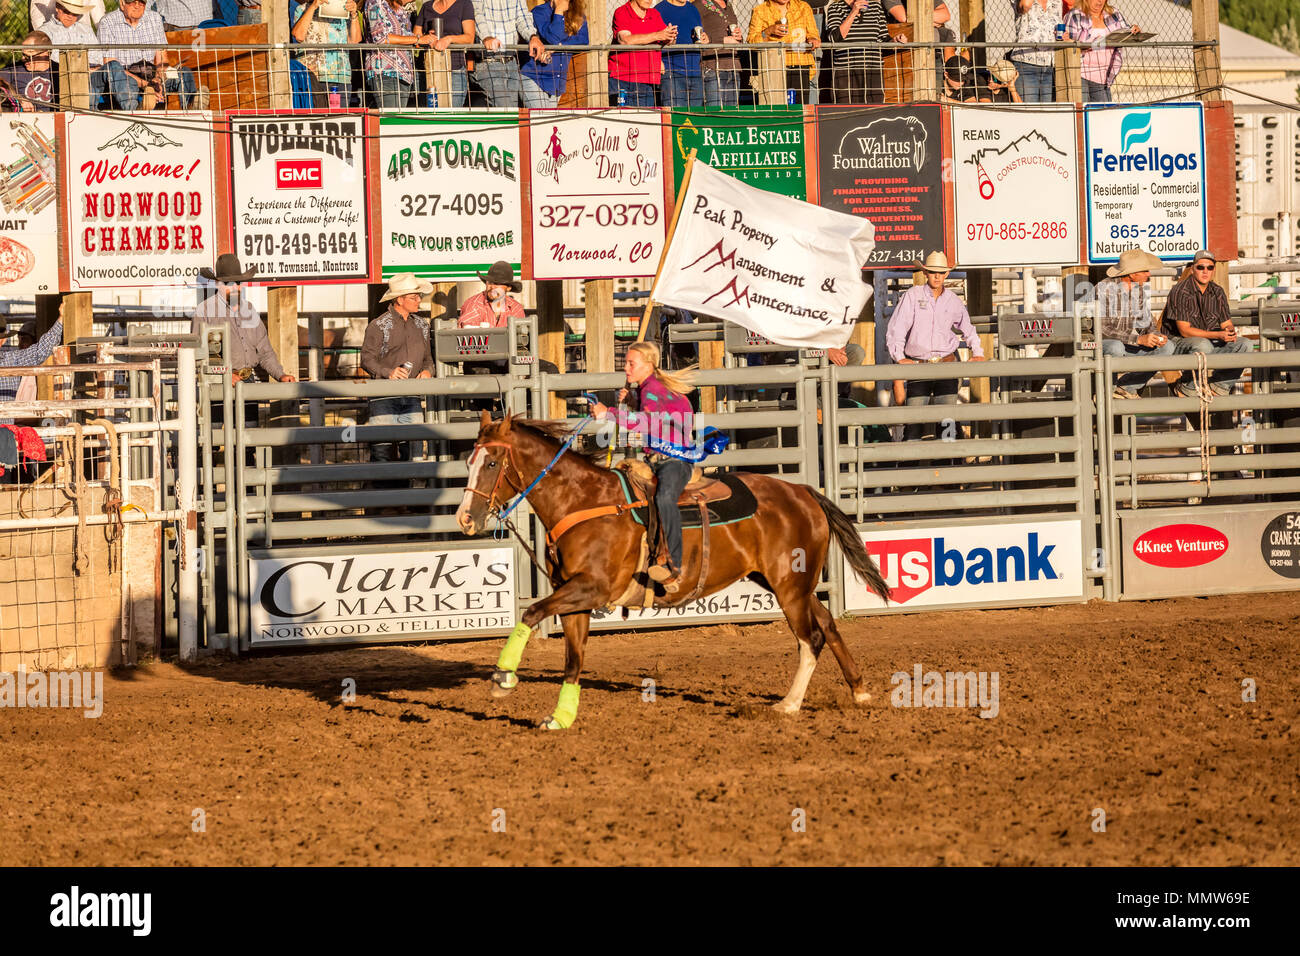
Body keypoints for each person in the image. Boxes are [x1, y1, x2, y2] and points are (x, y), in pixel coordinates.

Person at [592, 342, 698, 591]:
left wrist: (608, 413)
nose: (626, 368)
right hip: (660, 458)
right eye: (626, 363)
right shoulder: (650, 388)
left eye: (632, 363)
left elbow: (648, 423)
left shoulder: (653, 389)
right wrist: (633, 400)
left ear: (649, 365)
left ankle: (674, 564)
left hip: (675, 460)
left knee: (664, 498)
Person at [885, 251, 987, 444]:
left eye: (940, 272)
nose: (937, 276)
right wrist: (899, 357)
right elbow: (896, 329)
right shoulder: (913, 296)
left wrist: (978, 352)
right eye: (933, 272)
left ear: (946, 274)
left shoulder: (952, 301)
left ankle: (946, 462)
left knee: (946, 420)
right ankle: (913, 465)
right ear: (926, 273)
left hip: (945, 365)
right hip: (919, 365)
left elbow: (968, 328)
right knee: (914, 421)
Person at [361, 273, 435, 483]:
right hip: (383, 395)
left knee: (413, 449)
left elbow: (428, 359)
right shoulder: (379, 325)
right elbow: (367, 359)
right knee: (382, 450)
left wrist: (428, 371)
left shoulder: (421, 325)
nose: (419, 300)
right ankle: (387, 499)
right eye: (414, 297)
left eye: (419, 296)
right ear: (399, 300)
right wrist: (388, 372)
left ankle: (405, 500)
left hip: (410, 394)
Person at [190, 254, 297, 386]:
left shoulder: (249, 309)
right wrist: (223, 375)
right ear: (218, 284)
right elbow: (197, 354)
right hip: (217, 385)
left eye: (238, 283)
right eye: (229, 283)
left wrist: (280, 375)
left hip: (247, 381)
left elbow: (265, 352)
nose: (235, 287)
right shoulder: (204, 311)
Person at [1162, 250, 1252, 398]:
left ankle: (1218, 386)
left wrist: (1230, 332)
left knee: (1246, 344)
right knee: (1203, 345)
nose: (1205, 271)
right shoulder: (1180, 291)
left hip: (1208, 343)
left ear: (1214, 270)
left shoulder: (1217, 291)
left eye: (1209, 268)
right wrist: (1218, 334)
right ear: (1193, 269)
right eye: (1200, 267)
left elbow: (1226, 323)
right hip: (1178, 344)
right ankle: (1188, 387)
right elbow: (1184, 331)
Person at [1096, 247, 1172, 399]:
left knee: (1168, 347)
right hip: (1101, 346)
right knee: (1115, 347)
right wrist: (1137, 339)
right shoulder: (1104, 289)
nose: (1148, 274)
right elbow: (1103, 330)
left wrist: (1155, 335)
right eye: (1144, 271)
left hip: (1125, 345)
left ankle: (1126, 387)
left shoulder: (1139, 290)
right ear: (1132, 274)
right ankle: (1105, 392)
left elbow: (1146, 321)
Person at [96, 0, 197, 109]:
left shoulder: (155, 18)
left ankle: (192, 107)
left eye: (141, 2)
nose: (137, 6)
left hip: (152, 73)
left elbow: (162, 60)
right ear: (122, 3)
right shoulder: (107, 22)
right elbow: (110, 65)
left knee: (184, 73)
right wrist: (145, 84)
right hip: (126, 76)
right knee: (119, 76)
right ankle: (136, 111)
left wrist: (158, 79)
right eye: (132, 2)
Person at [39, 1, 135, 110]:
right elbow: (54, 60)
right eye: (67, 12)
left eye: (75, 14)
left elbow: (98, 57)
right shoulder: (45, 32)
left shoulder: (86, 30)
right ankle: (133, 111)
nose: (71, 17)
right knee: (126, 79)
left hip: (91, 75)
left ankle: (131, 110)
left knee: (117, 68)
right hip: (66, 80)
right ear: (58, 8)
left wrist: (88, 69)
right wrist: (83, 68)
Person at [823, 0, 903, 106]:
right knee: (845, 113)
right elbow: (834, 39)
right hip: (846, 72)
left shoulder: (876, 7)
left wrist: (895, 41)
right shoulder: (836, 7)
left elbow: (883, 39)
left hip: (872, 71)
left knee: (874, 113)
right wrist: (853, 12)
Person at [473, 0, 552, 108]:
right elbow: (476, 14)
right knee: (505, 110)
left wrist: (533, 37)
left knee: (512, 112)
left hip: (511, 61)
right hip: (488, 60)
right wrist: (486, 37)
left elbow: (522, 17)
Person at [290, 0, 362, 109]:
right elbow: (299, 35)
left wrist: (353, 14)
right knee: (313, 120)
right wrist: (314, 6)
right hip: (313, 77)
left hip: (340, 77)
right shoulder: (302, 9)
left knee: (338, 120)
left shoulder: (343, 10)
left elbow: (355, 40)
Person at [1064, 0, 1138, 103]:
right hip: (1080, 74)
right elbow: (1068, 46)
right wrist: (1095, 43)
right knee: (1082, 113)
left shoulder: (1114, 14)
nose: (1100, 1)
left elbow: (1125, 32)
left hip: (1104, 75)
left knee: (1103, 114)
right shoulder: (1075, 15)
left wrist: (1133, 30)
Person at [747, 0, 819, 104]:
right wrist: (768, 31)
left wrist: (812, 39)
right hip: (773, 68)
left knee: (798, 111)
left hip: (800, 66)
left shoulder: (803, 7)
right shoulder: (760, 11)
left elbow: (813, 34)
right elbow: (751, 42)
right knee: (774, 109)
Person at [519, 0, 587, 109]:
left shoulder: (576, 15)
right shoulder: (540, 12)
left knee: (548, 122)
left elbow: (583, 40)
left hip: (556, 81)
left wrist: (559, 46)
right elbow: (552, 37)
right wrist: (559, 11)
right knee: (541, 120)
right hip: (535, 77)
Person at [413, 0, 475, 108]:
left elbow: (469, 38)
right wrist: (426, 37)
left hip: (454, 70)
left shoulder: (464, 4)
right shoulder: (426, 6)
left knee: (451, 117)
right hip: (427, 71)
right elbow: (415, 35)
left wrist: (449, 39)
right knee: (428, 118)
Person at [610, 0, 671, 107]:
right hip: (622, 78)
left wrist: (670, 36)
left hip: (647, 79)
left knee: (645, 120)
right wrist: (657, 35)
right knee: (621, 120)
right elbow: (625, 40)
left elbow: (665, 38)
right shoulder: (622, 12)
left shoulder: (654, 14)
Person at [365, 0, 422, 108]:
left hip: (404, 73)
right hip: (385, 71)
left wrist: (424, 38)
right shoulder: (375, 2)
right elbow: (380, 37)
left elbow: (406, 37)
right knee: (391, 118)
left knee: (398, 122)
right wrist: (417, 39)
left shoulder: (401, 9)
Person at [657, 0, 706, 108]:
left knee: (695, 120)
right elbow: (653, 39)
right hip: (672, 72)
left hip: (695, 73)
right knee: (675, 118)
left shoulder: (693, 9)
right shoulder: (659, 10)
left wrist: (704, 38)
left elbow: (701, 33)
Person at [1010, 0, 1060, 103]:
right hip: (1026, 65)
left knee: (1047, 114)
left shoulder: (1056, 2)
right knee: (1028, 113)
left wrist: (1064, 36)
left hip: (1049, 67)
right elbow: (1025, 6)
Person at [696, 0, 742, 107]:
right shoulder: (699, 4)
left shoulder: (729, 6)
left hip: (733, 66)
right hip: (712, 66)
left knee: (731, 115)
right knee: (714, 113)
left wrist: (739, 37)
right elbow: (696, 35)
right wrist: (721, 40)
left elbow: (733, 38)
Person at [0, 32, 59, 111]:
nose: (23, 59)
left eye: (28, 56)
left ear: (45, 54)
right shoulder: (15, 68)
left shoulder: (59, 70)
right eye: (23, 54)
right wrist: (18, 99)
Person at [458, 260, 525, 329]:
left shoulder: (515, 308)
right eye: (490, 282)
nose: (492, 287)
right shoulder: (475, 305)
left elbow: (521, 335)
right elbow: (468, 333)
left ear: (508, 288)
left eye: (497, 284)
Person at [31, 0, 104, 28]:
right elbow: (38, 20)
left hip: (83, 36)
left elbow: (100, 22)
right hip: (53, 36)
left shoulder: (87, 32)